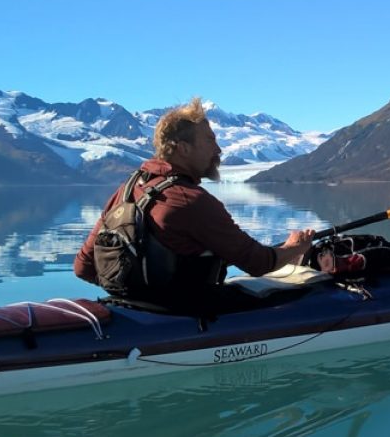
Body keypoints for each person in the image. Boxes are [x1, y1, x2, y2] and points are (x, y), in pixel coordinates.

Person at [74, 97, 313, 313]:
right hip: (187, 315)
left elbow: (83, 267)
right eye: (210, 141)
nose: (218, 150)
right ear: (184, 148)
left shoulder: (127, 190)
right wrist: (294, 247)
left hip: (130, 309)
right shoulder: (190, 199)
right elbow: (259, 263)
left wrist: (135, 291)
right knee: (304, 296)